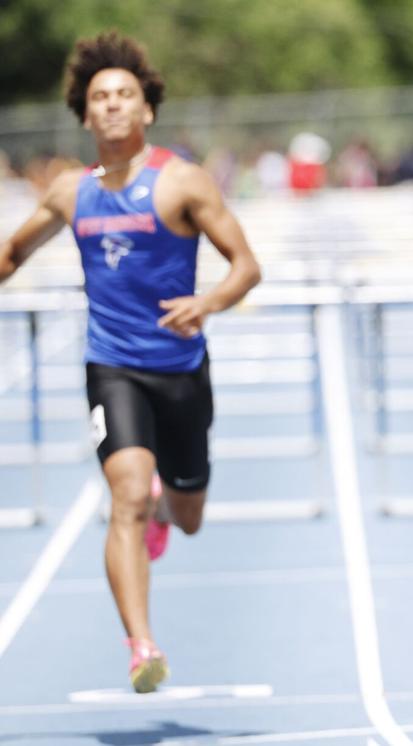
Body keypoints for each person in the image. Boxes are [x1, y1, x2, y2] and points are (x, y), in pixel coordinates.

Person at [0, 32, 261, 692]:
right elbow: (12, 254)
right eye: (100, 98)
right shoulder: (68, 192)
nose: (113, 106)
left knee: (189, 515)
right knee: (123, 499)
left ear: (146, 110)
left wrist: (207, 303)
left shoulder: (182, 182)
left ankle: (166, 509)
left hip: (181, 371)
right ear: (85, 116)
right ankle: (142, 645)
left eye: (124, 95)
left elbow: (246, 266)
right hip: (110, 366)